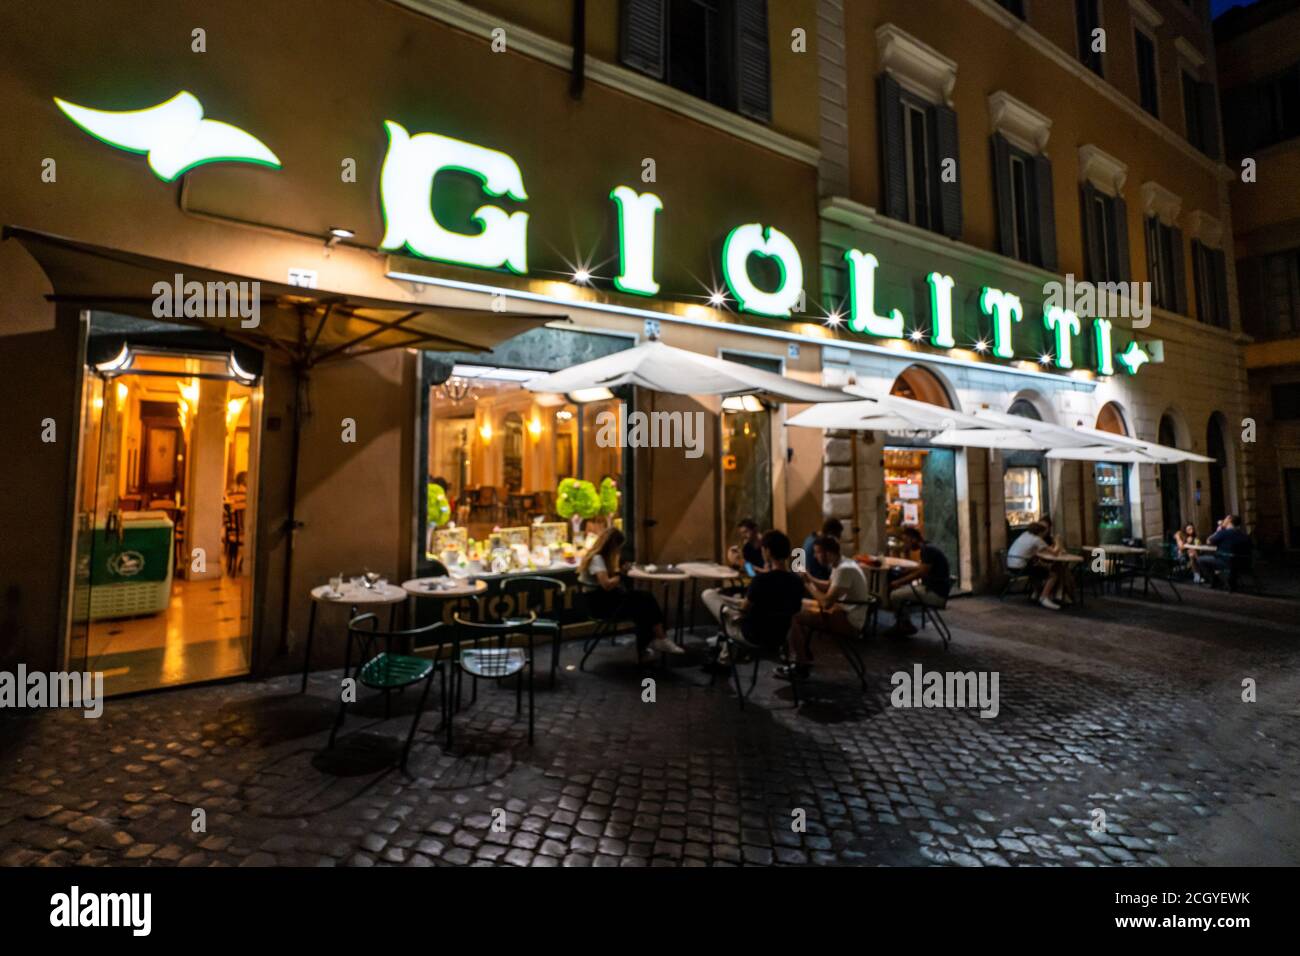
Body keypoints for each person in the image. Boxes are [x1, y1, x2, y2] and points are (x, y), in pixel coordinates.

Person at [578, 528, 684, 662]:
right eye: (618, 548)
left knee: (643, 604)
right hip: (602, 606)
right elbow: (606, 584)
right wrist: (620, 573)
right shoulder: (597, 559)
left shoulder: (599, 558)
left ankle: (651, 644)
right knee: (645, 601)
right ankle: (658, 640)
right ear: (612, 546)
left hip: (604, 601)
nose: (618, 551)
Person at [702, 530, 805, 664]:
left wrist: (742, 564)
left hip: (753, 634)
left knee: (709, 595)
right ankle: (724, 653)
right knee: (727, 599)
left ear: (767, 551)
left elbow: (747, 603)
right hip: (778, 635)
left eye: (746, 531)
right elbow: (794, 609)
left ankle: (723, 639)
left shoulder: (761, 576)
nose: (744, 535)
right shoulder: (796, 581)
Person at [778, 535, 872, 679]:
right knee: (798, 605)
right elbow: (829, 586)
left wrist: (807, 584)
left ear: (828, 552)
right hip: (842, 611)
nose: (815, 557)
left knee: (794, 616)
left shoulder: (844, 569)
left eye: (817, 552)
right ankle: (803, 652)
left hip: (849, 620)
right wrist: (808, 577)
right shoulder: (842, 563)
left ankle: (801, 664)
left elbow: (826, 602)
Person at [883, 526, 954, 635]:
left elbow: (922, 573)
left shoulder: (927, 550)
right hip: (936, 589)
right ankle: (904, 623)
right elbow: (923, 568)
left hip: (935, 593)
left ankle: (905, 625)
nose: (906, 545)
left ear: (913, 539)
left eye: (906, 541)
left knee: (894, 595)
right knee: (902, 592)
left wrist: (899, 581)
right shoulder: (928, 547)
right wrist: (907, 570)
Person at [1006, 521, 1057, 608]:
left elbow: (1031, 551)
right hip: (1020, 567)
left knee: (1036, 568)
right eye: (1044, 533)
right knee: (1053, 574)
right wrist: (1058, 541)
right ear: (1040, 532)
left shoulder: (1024, 534)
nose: (1044, 535)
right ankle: (1044, 597)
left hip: (1010, 565)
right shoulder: (1037, 539)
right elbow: (1055, 553)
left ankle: (1036, 593)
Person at [1193, 514, 1252, 589]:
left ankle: (1215, 581)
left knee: (1200, 559)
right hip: (1244, 563)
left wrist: (1218, 530)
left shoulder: (1224, 533)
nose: (1223, 520)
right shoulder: (1244, 535)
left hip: (1227, 562)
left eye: (1225, 519)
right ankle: (1231, 580)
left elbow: (1208, 541)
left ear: (1229, 520)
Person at [800, 518, 843, 583]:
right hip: (817, 579)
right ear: (830, 534)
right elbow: (831, 567)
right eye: (837, 535)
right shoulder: (819, 545)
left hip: (811, 577)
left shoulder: (810, 538)